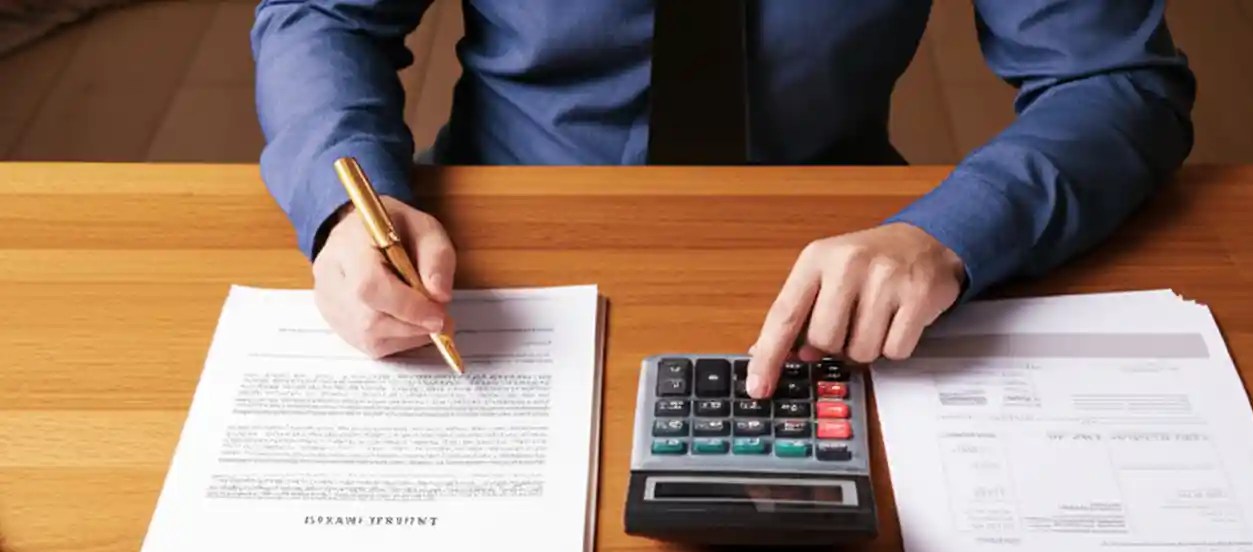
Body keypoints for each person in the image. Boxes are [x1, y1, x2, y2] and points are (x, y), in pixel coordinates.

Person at [250, 1, 1195, 398]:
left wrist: (949, 235)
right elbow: (324, 13)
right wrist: (345, 202)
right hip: (493, 256)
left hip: (838, 263)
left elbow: (1114, 79)